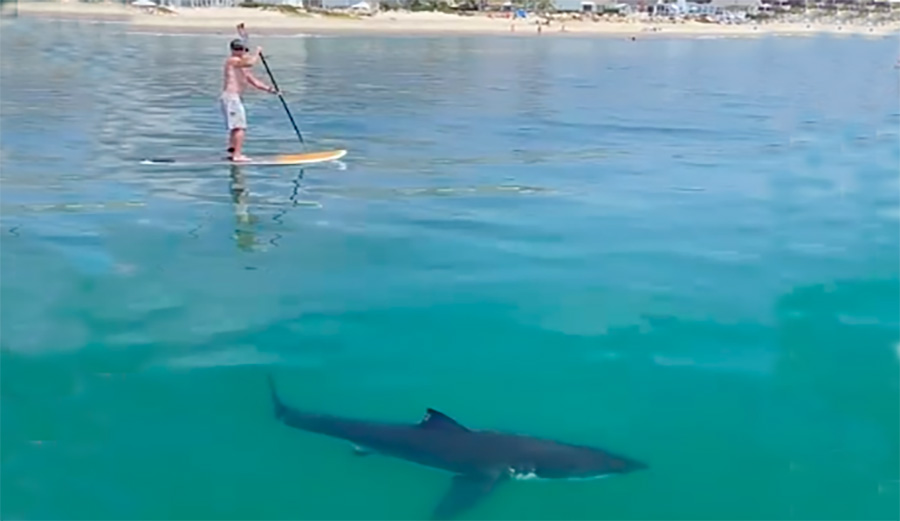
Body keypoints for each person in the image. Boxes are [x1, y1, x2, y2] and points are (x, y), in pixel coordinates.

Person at [221, 36, 278, 162]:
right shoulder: (232, 61)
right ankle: (237, 155)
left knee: (236, 127)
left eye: (241, 49)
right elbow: (251, 62)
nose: (239, 51)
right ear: (232, 50)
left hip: (234, 99)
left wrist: (270, 89)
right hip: (231, 98)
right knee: (240, 127)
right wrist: (257, 52)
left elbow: (254, 82)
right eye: (236, 48)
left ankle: (232, 151)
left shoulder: (242, 66)